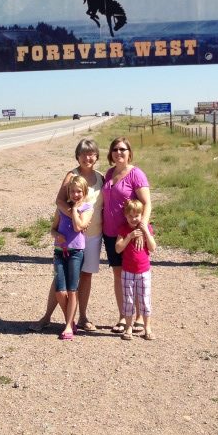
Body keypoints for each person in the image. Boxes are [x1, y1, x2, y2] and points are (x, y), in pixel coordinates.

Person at [30, 138, 104, 333]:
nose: (88, 157)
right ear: (77, 156)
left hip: (94, 234)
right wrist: (76, 218)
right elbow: (60, 201)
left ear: (96, 156)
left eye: (91, 153)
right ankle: (47, 316)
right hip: (71, 235)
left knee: (85, 276)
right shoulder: (72, 175)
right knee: (61, 278)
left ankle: (82, 317)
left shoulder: (101, 177)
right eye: (83, 154)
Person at [101, 136, 152, 334]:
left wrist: (141, 229)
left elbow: (147, 203)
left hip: (132, 234)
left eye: (122, 149)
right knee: (119, 275)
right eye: (115, 149)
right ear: (111, 153)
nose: (118, 153)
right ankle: (124, 315)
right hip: (111, 233)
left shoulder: (136, 174)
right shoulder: (109, 173)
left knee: (136, 275)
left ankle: (139, 317)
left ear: (129, 153)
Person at [51, 174, 93, 340]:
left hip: (76, 253)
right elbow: (52, 229)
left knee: (72, 289)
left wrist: (75, 209)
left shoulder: (87, 208)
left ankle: (68, 325)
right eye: (72, 191)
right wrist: (56, 235)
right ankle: (71, 318)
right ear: (68, 192)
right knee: (60, 291)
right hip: (59, 252)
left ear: (84, 192)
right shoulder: (61, 209)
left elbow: (78, 226)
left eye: (79, 192)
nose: (75, 195)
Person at [116, 199, 156, 340]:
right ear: (125, 216)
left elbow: (153, 248)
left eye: (137, 216)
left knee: (145, 299)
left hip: (144, 271)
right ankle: (128, 327)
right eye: (130, 216)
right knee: (128, 300)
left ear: (141, 215)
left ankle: (147, 327)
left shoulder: (147, 228)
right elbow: (118, 248)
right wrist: (129, 237)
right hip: (127, 271)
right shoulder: (123, 229)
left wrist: (146, 232)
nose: (134, 219)